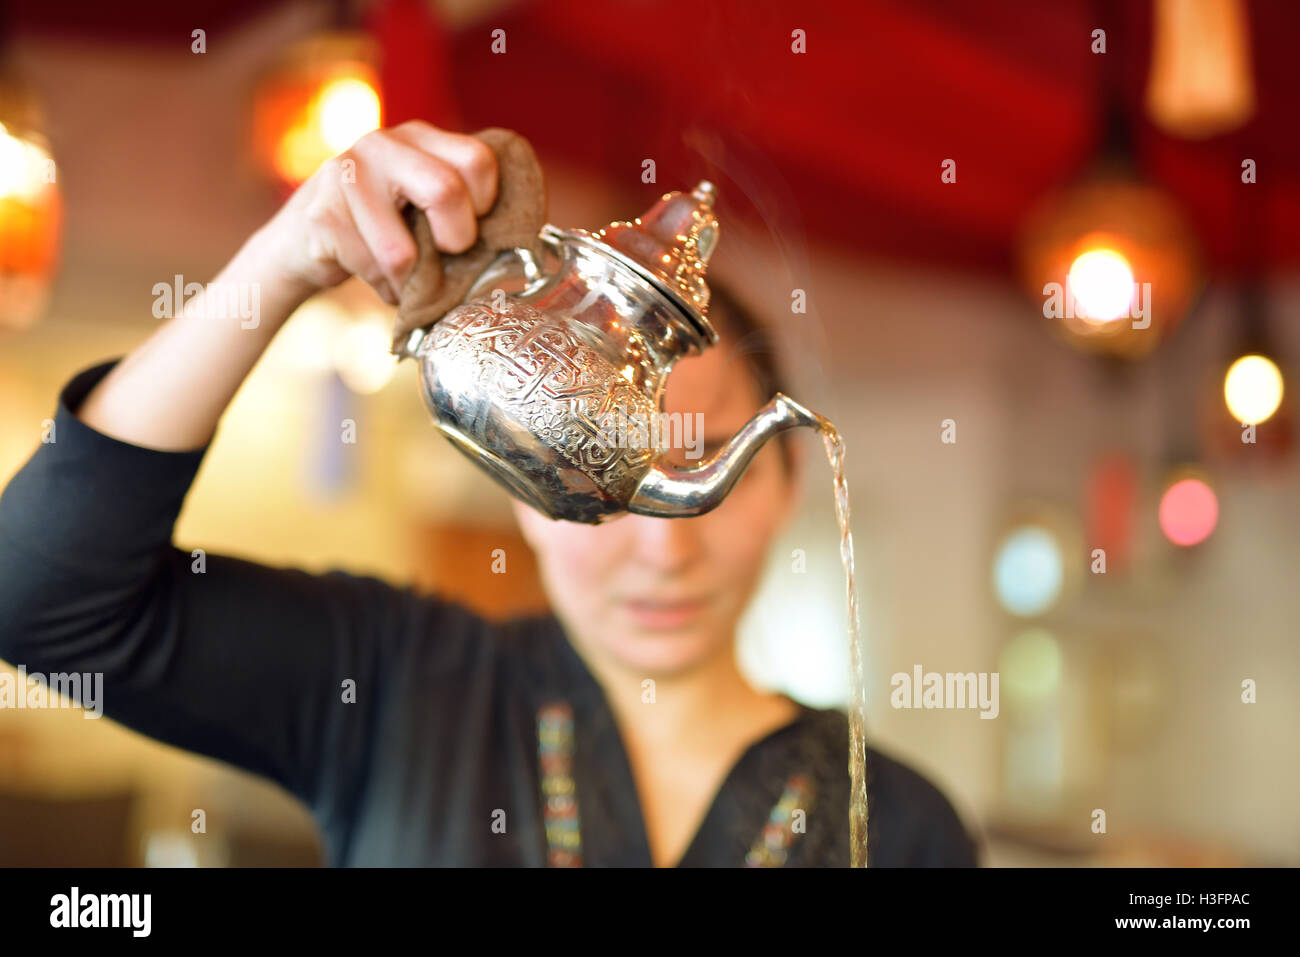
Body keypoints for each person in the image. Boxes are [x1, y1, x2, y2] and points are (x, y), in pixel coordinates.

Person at [0, 122, 978, 867]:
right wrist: (285, 260)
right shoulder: (394, 685)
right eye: (607, 479)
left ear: (782, 480)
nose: (664, 547)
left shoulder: (904, 824)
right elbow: (37, 600)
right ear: (524, 485)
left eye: (707, 463)